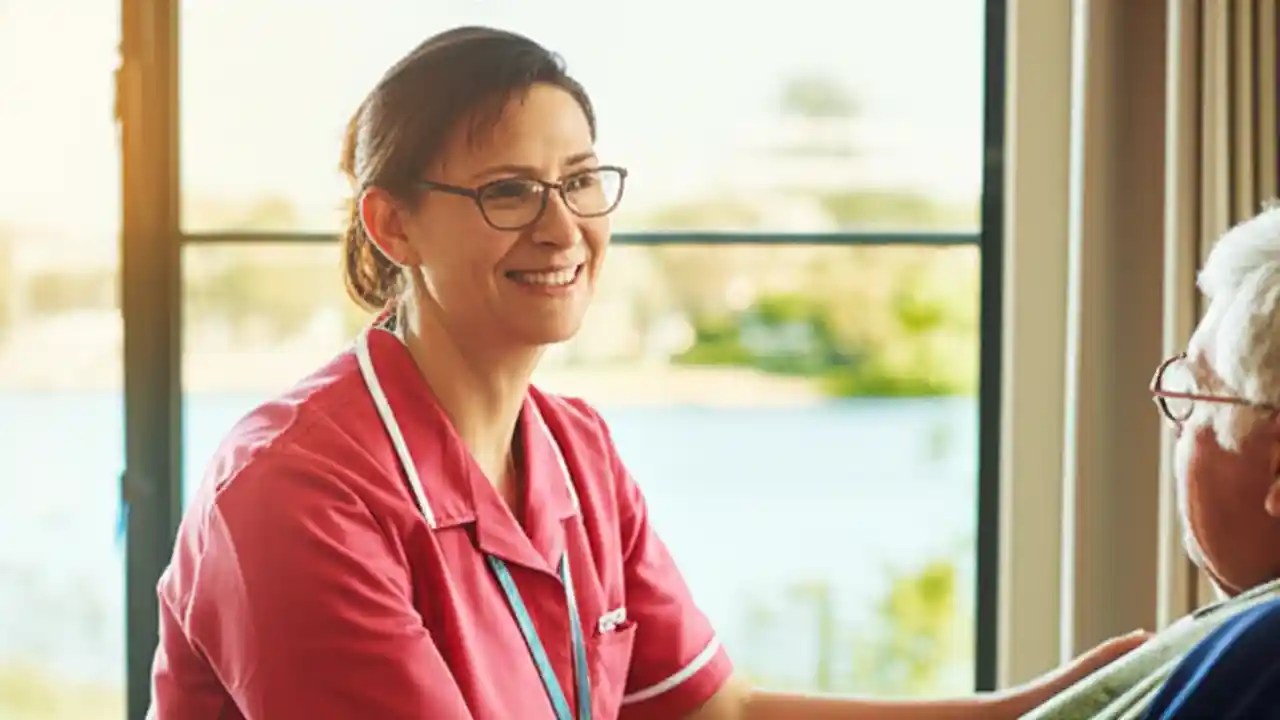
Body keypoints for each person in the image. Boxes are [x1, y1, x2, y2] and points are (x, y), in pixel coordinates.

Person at [148, 26, 1144, 720]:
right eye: (507, 191)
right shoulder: (294, 490)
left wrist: (1029, 710)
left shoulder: (574, 451)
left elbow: (719, 711)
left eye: (580, 180)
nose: (560, 227)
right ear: (391, 223)